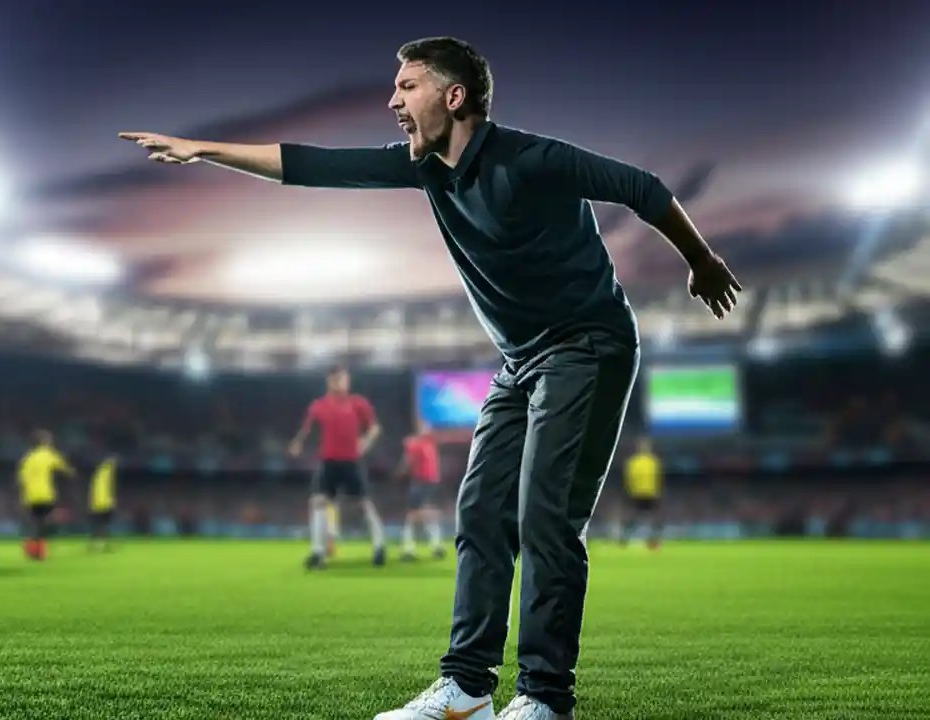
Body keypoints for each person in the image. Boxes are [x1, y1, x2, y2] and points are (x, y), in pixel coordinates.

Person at [120, 35, 740, 720]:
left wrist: (701, 260)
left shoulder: (532, 160)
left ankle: (545, 698)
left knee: (546, 518)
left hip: (586, 346)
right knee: (479, 511)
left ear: (454, 97)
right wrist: (204, 150)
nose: (392, 100)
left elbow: (644, 190)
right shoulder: (425, 169)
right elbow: (312, 165)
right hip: (520, 362)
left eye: (407, 86)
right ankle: (469, 688)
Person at [288, 365, 386, 569]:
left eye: (343, 378)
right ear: (329, 381)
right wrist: (297, 442)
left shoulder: (358, 403)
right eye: (336, 379)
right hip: (328, 461)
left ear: (348, 381)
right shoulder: (319, 406)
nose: (340, 382)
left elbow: (375, 428)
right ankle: (318, 552)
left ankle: (379, 546)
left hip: (351, 461)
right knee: (318, 501)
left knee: (363, 504)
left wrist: (365, 442)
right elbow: (306, 428)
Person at [17, 430, 74, 560]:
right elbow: (63, 466)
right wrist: (70, 472)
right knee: (44, 521)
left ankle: (32, 548)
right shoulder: (48, 454)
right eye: (48, 440)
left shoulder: (29, 458)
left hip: (30, 495)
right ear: (44, 442)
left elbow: (22, 478)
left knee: (36, 521)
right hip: (45, 494)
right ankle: (39, 551)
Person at [397, 419, 446, 561]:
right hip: (422, 481)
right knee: (416, 514)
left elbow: (408, 462)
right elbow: (408, 461)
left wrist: (400, 472)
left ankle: (411, 547)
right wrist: (401, 472)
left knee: (415, 514)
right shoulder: (417, 443)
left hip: (428, 482)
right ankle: (432, 545)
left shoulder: (427, 443)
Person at [621, 437, 663, 550]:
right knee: (634, 516)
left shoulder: (652, 461)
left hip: (649, 493)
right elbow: (628, 478)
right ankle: (625, 538)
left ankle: (653, 541)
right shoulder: (634, 462)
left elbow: (657, 478)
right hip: (637, 493)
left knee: (651, 518)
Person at [88, 454, 118, 552]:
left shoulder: (99, 472)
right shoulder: (107, 471)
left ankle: (98, 544)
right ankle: (100, 544)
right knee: (103, 524)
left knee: (100, 524)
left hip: (97, 502)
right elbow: (108, 487)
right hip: (104, 502)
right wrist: (111, 500)